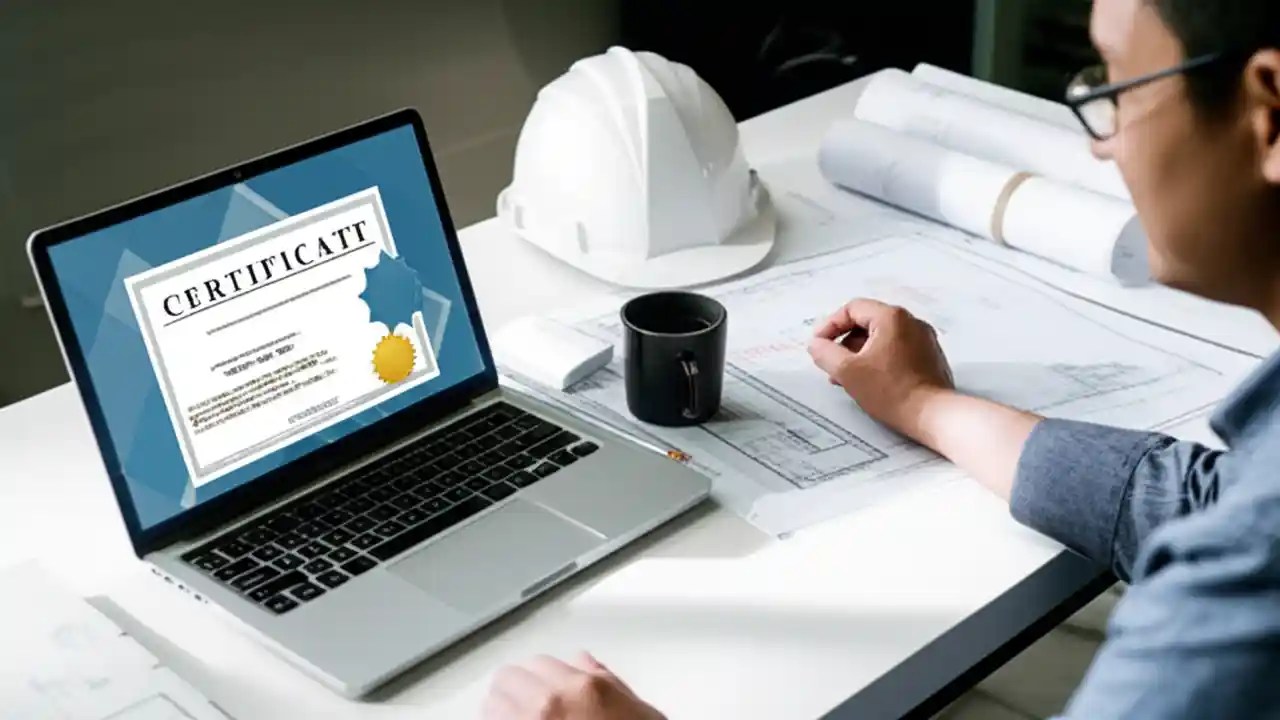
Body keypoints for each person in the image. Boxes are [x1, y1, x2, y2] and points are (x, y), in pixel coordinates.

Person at [482, 0, 1280, 716]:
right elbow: (1198, 502)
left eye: (1119, 91)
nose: (1102, 147)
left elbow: (1239, 534)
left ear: (1268, 113)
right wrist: (926, 404)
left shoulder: (1247, 576)